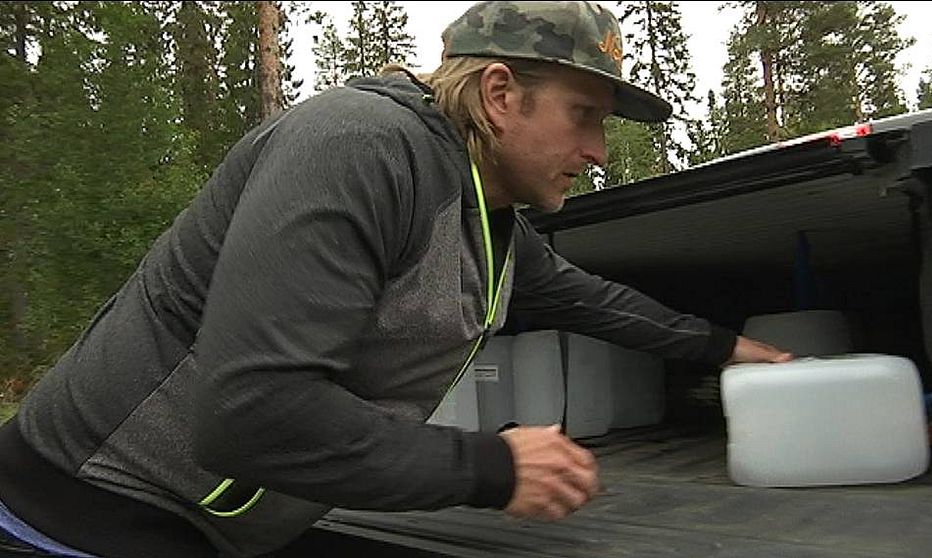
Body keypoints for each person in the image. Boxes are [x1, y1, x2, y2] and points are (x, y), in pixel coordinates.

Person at [0, 2, 792, 557]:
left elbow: (588, 299)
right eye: (583, 115)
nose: (597, 152)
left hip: (214, 526)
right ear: (500, 94)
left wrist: (728, 349)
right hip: (85, 519)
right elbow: (254, 414)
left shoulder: (485, 214)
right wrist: (494, 468)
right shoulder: (359, 147)